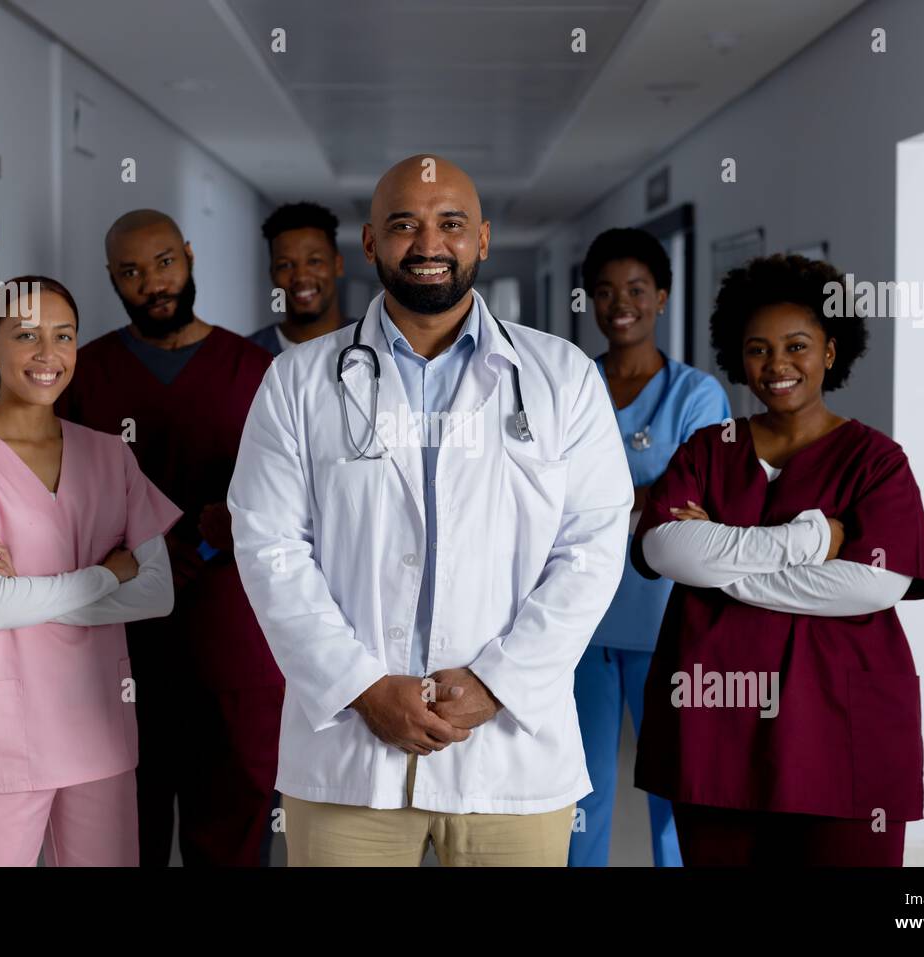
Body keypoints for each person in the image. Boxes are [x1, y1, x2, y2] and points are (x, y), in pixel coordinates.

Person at [228, 154, 633, 866]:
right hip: (350, 756)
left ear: (483, 239)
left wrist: (498, 683)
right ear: (370, 243)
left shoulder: (562, 377)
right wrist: (360, 687)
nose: (428, 244)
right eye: (403, 224)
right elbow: (270, 547)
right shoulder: (296, 381)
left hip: (508, 755)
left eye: (450, 223)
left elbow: (592, 549)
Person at [631, 254, 924, 866]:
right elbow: (663, 546)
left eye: (797, 346)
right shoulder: (710, 448)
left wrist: (721, 565)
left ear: (830, 351)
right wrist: (808, 540)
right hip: (716, 722)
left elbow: (873, 583)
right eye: (758, 350)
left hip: (841, 724)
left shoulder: (877, 461)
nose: (777, 365)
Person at [0, 276, 182, 866]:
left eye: (64, 336)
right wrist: (106, 575)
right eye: (26, 335)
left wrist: (26, 594)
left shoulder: (110, 456)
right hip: (2, 736)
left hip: (97, 724)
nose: (48, 354)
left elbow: (158, 593)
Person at [54, 210, 283, 867]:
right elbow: (56, 504)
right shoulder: (86, 374)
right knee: (125, 834)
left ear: (187, 256)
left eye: (163, 263)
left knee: (231, 833)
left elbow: (301, 499)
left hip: (233, 643)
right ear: (111, 278)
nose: (152, 282)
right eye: (131, 272)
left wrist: (244, 524)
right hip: (122, 646)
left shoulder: (255, 369)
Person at [568, 228, 730, 868]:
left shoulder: (696, 395)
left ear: (661, 297)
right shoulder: (570, 382)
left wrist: (596, 498)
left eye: (636, 289)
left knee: (674, 788)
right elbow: (541, 488)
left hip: (667, 622)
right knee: (581, 787)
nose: (621, 304)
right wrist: (645, 496)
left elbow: (695, 499)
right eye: (605, 292)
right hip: (577, 620)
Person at [247, 202, 354, 355]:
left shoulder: (374, 342)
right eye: (285, 265)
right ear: (272, 274)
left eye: (314, 261)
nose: (301, 277)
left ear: (338, 265)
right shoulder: (245, 355)